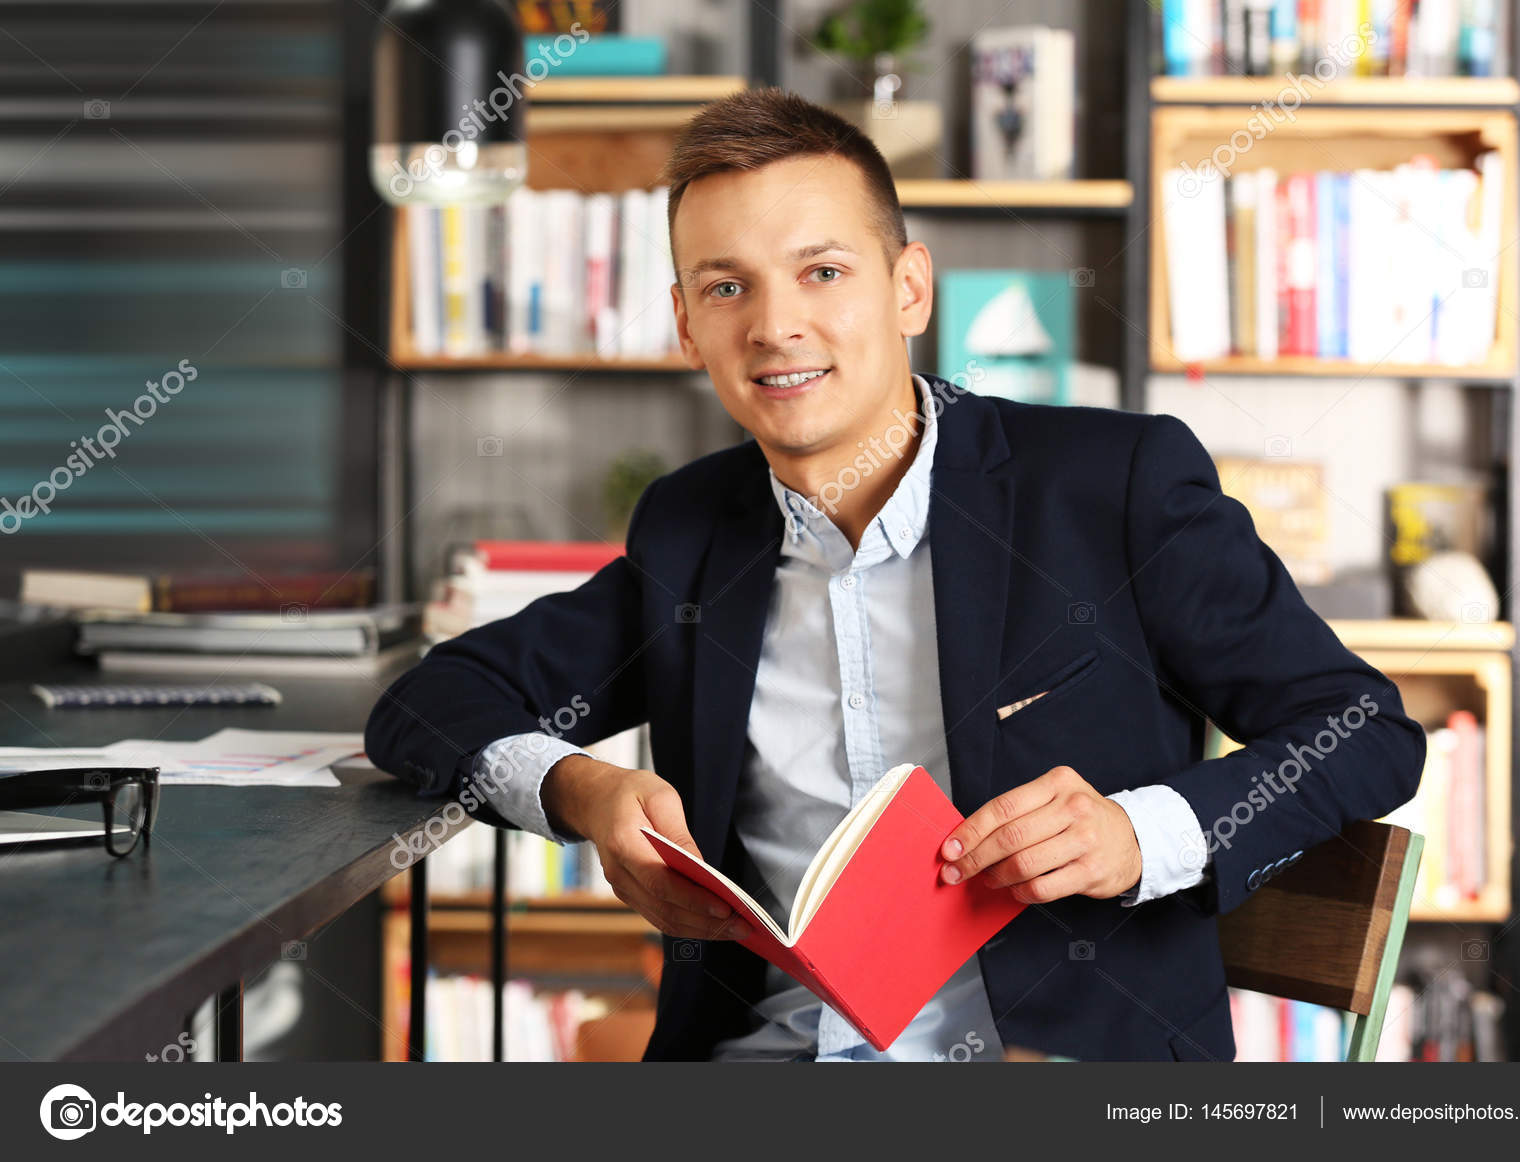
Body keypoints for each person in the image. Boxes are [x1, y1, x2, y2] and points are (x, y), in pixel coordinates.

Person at [365, 88, 1426, 1062]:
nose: (776, 326)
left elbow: (1362, 730)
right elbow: (425, 707)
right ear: (688, 324)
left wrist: (1137, 831)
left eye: (822, 271)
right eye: (726, 286)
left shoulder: (1109, 486)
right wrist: (582, 790)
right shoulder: (692, 529)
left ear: (908, 287)